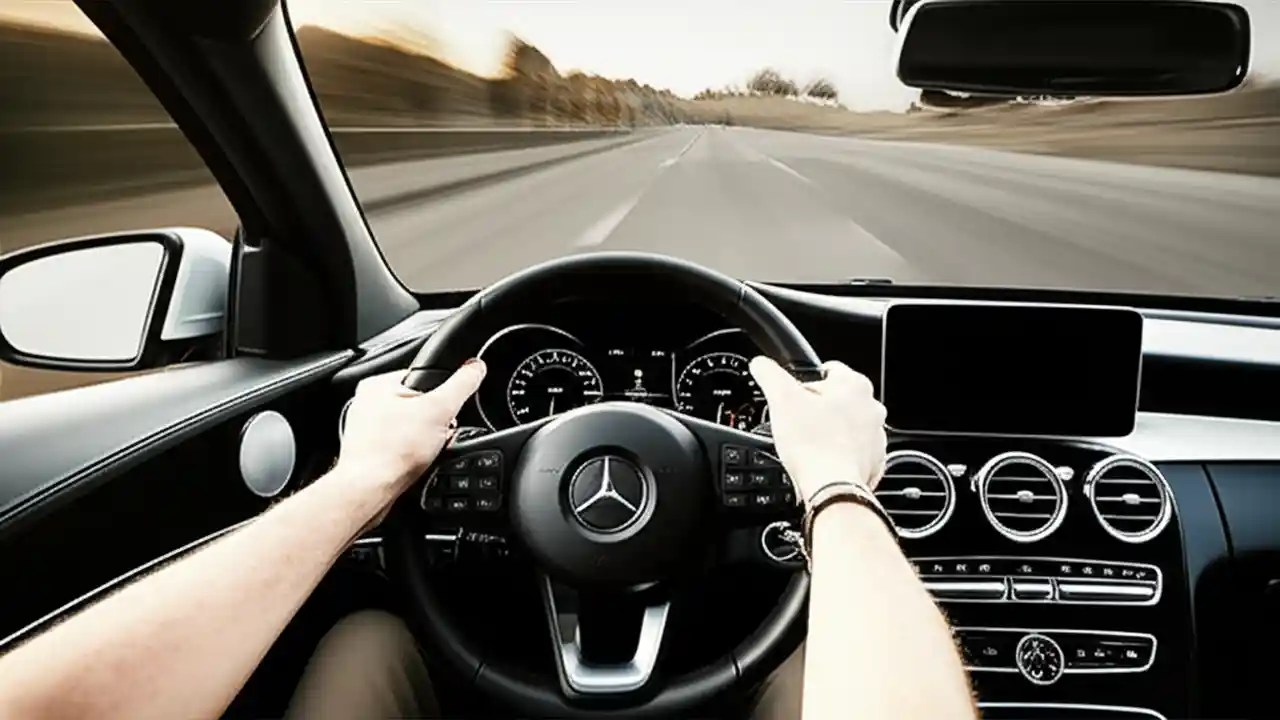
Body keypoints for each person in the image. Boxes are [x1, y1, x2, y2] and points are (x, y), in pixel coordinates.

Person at [0, 357, 974, 720]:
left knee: (368, 643)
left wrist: (363, 482)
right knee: (810, 679)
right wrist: (833, 480)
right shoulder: (827, 475)